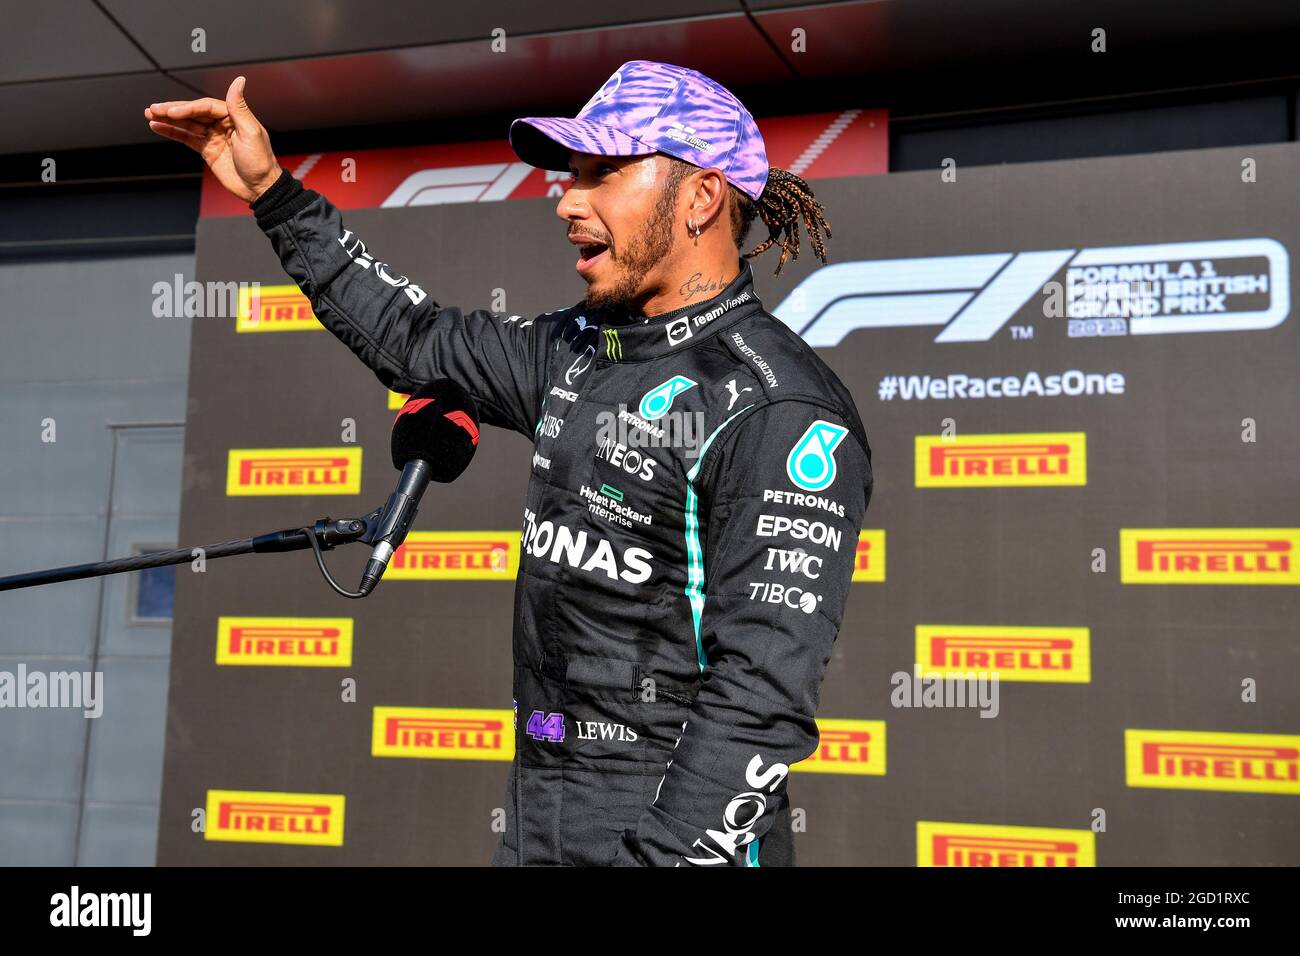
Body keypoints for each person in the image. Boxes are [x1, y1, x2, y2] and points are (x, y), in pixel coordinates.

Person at [144, 59, 873, 867]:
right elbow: (414, 340)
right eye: (570, 174)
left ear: (701, 197)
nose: (567, 200)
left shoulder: (778, 405)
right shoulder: (572, 349)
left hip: (671, 813)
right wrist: (275, 194)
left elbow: (762, 696)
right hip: (541, 794)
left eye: (603, 172)